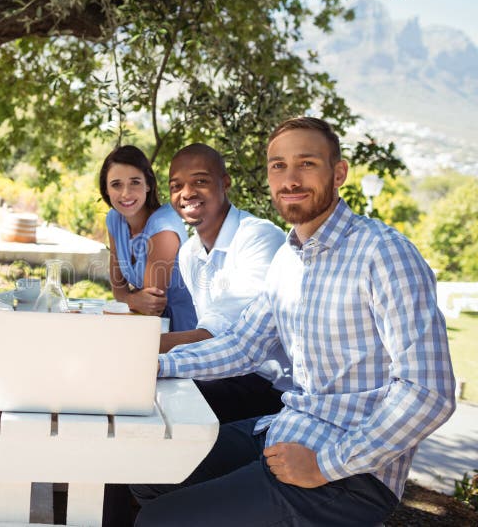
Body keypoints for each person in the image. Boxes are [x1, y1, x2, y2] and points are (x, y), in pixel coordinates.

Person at [132, 117, 455, 526]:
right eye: (278, 166)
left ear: (338, 173)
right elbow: (244, 345)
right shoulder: (289, 257)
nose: (290, 179)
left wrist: (327, 464)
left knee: (159, 522)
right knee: (147, 468)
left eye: (307, 163)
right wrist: (155, 365)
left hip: (350, 474)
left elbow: (430, 392)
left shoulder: (384, 253)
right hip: (285, 429)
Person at [163, 143, 290, 424]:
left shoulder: (258, 237)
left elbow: (221, 336)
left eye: (200, 181)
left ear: (225, 183)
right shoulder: (189, 253)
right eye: (176, 186)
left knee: (169, 406)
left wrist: (132, 346)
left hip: (272, 389)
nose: (186, 193)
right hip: (227, 373)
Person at [100, 145, 196, 332]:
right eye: (116, 184)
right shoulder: (114, 219)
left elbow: (152, 306)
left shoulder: (163, 226)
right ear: (106, 189)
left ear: (148, 184)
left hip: (181, 330)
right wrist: (133, 299)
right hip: (144, 324)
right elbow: (118, 290)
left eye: (135, 182)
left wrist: (130, 298)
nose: (125, 193)